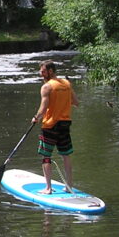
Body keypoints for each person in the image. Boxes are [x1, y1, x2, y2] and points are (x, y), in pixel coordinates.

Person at [31, 60, 79, 194]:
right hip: (65, 125)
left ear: (50, 71)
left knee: (46, 156)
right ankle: (69, 186)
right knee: (66, 155)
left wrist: (36, 118)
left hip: (50, 126)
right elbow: (76, 102)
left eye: (43, 71)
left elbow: (43, 108)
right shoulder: (67, 84)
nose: (40, 74)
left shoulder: (47, 87)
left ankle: (48, 188)